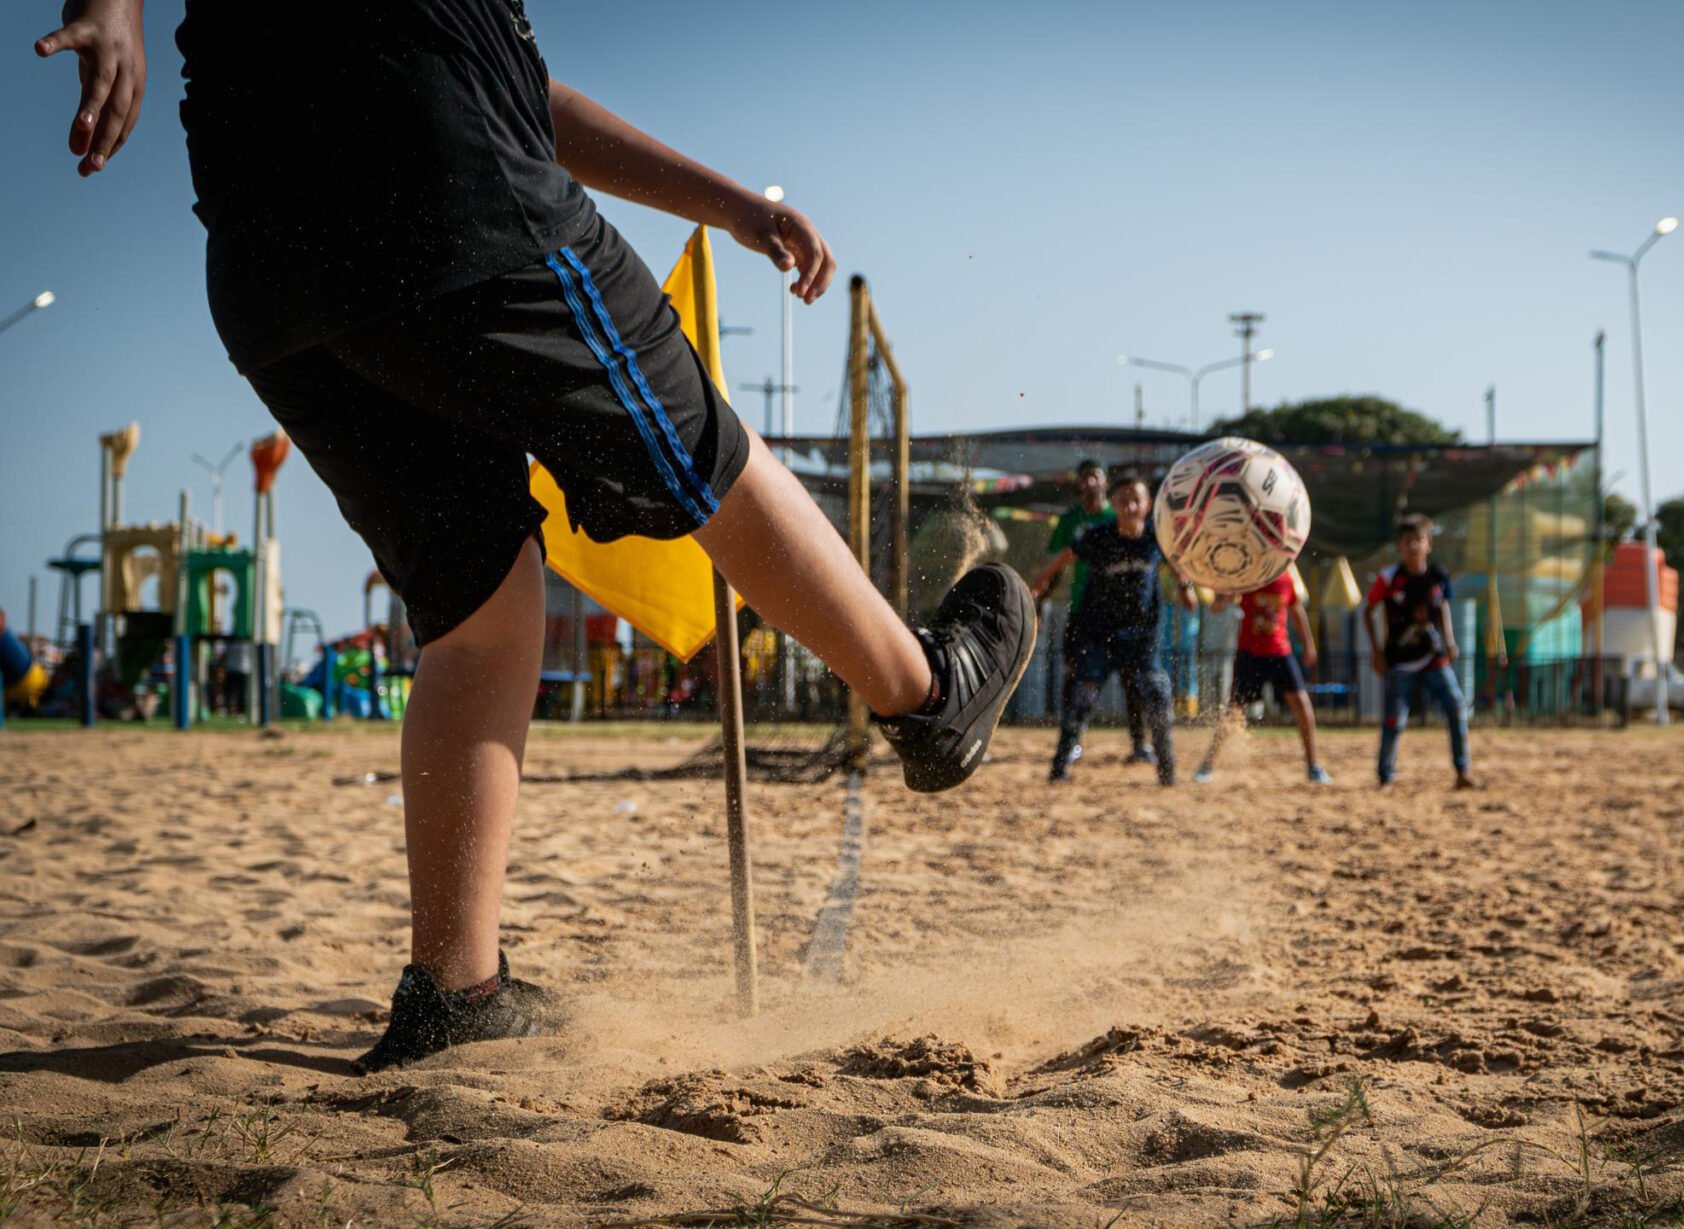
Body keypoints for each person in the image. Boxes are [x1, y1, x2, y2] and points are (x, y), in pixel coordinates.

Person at [36, 0, 1036, 1072]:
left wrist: (727, 203)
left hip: (274, 268)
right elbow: (481, 101)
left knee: (476, 609)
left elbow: (520, 97)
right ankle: (926, 696)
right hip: (449, 198)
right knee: (704, 450)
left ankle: (455, 990)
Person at [1030, 470, 1194, 786]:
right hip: (1098, 636)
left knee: (1157, 695)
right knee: (1083, 696)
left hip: (1141, 639)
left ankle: (1167, 773)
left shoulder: (1156, 537)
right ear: (1114, 504)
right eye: (1124, 501)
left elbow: (1177, 563)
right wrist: (1037, 588)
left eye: (1137, 500)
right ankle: (1059, 767)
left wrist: (1185, 586)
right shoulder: (1098, 536)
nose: (1130, 507)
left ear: (1147, 505)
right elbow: (1063, 557)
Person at [1039, 459, 1154, 767]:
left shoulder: (1117, 515)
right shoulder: (1072, 520)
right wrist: (1039, 598)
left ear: (1107, 484)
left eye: (1096, 477)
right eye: (1085, 478)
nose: (1090, 483)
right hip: (1083, 611)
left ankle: (1139, 743)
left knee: (1133, 680)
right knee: (1075, 676)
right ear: (1078, 484)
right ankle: (1072, 742)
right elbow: (1059, 563)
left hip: (1126, 615)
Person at [1366, 514, 1478, 790]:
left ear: (1429, 544)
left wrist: (1449, 640)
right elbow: (1368, 611)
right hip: (1400, 662)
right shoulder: (1389, 578)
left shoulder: (1438, 575)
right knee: (1395, 720)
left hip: (1433, 657)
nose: (1414, 546)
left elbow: (1442, 608)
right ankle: (1386, 777)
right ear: (1400, 546)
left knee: (1456, 708)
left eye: (1419, 540)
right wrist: (1377, 651)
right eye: (1408, 541)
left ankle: (1462, 771)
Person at [1191, 569, 1332, 785]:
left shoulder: (1285, 579)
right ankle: (1207, 765)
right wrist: (1220, 599)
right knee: (1233, 711)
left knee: (1302, 704)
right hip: (1250, 654)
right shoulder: (1249, 576)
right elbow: (1220, 603)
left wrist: (1309, 645)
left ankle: (1313, 766)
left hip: (1280, 652)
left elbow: (1295, 609)